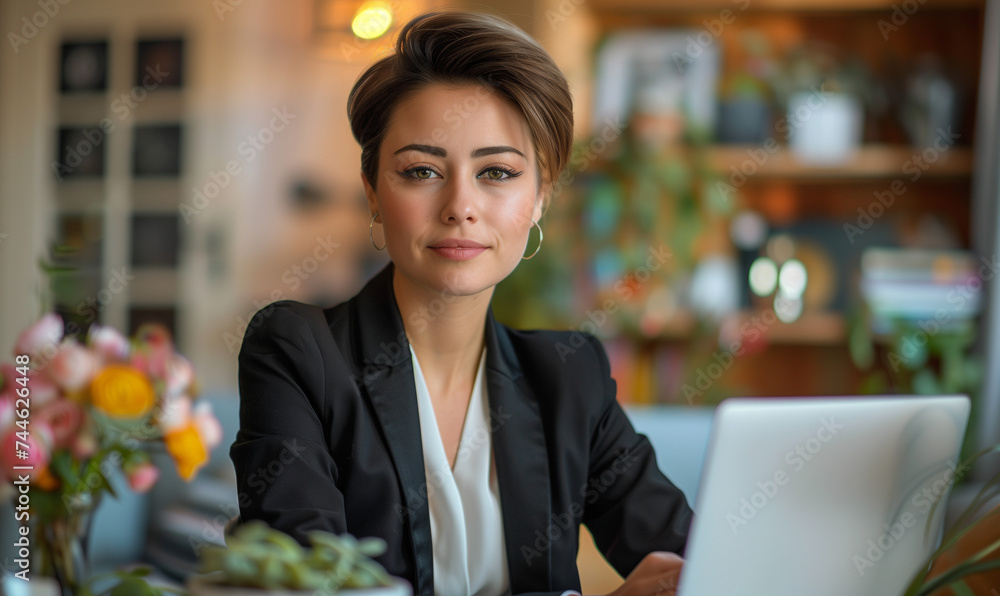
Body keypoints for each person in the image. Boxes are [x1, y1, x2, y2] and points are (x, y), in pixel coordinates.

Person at [230, 12, 693, 596]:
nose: (460, 206)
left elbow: (695, 559)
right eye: (422, 170)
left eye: (497, 172)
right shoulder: (298, 353)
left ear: (541, 197)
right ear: (373, 190)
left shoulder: (569, 377)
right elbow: (305, 585)